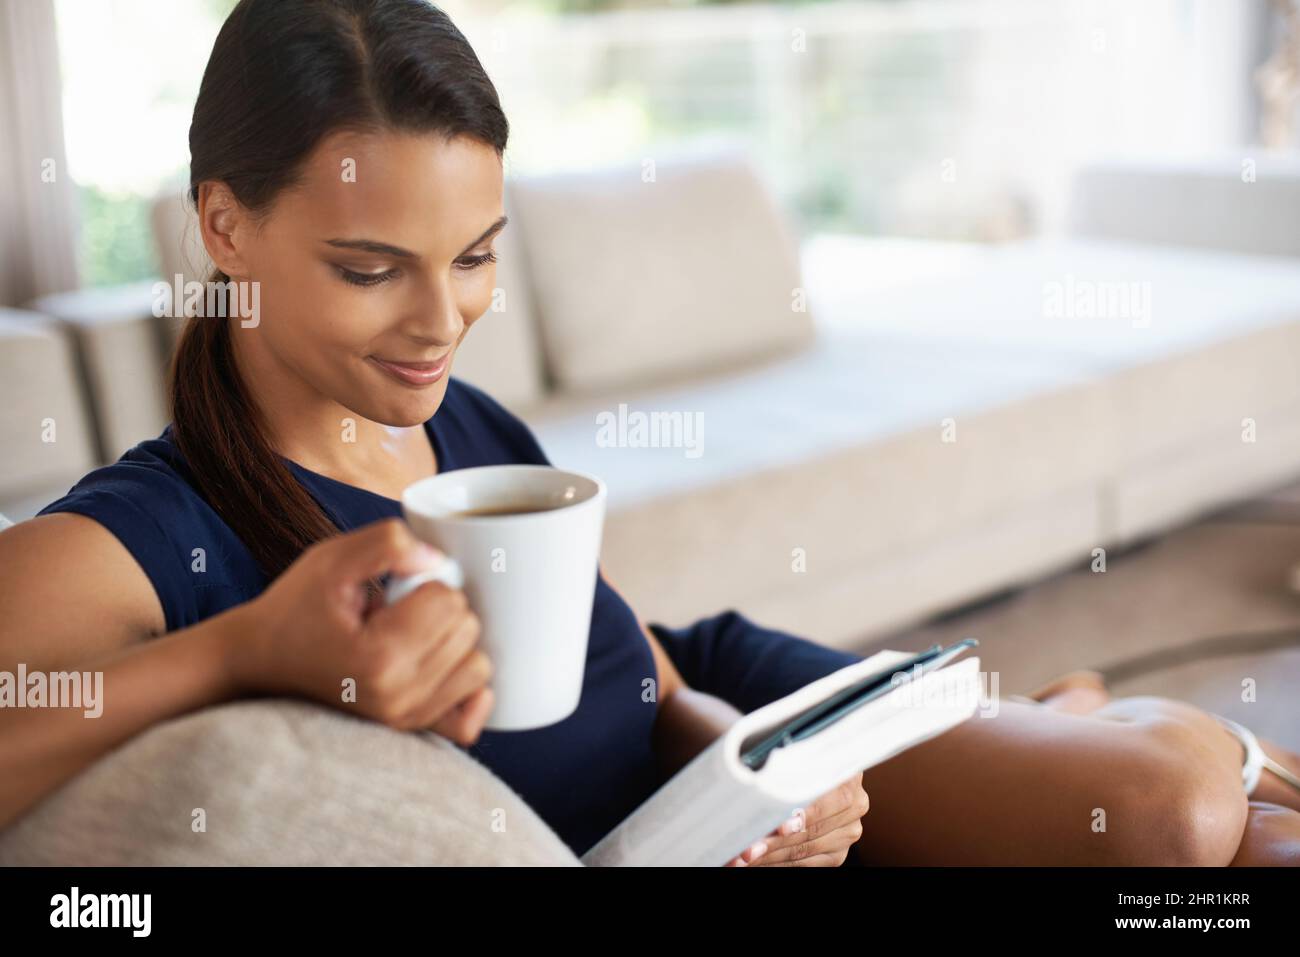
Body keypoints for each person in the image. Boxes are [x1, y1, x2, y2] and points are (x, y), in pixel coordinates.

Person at [2, 0, 1297, 867]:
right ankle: (1094, 716)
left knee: (1190, 817)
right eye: (370, 268)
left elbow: (650, 671)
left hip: (736, 736)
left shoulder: (469, 428)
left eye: (475, 257)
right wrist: (246, 649)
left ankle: (1096, 720)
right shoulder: (147, 535)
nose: (441, 322)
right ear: (224, 228)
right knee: (1199, 822)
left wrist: (748, 784)